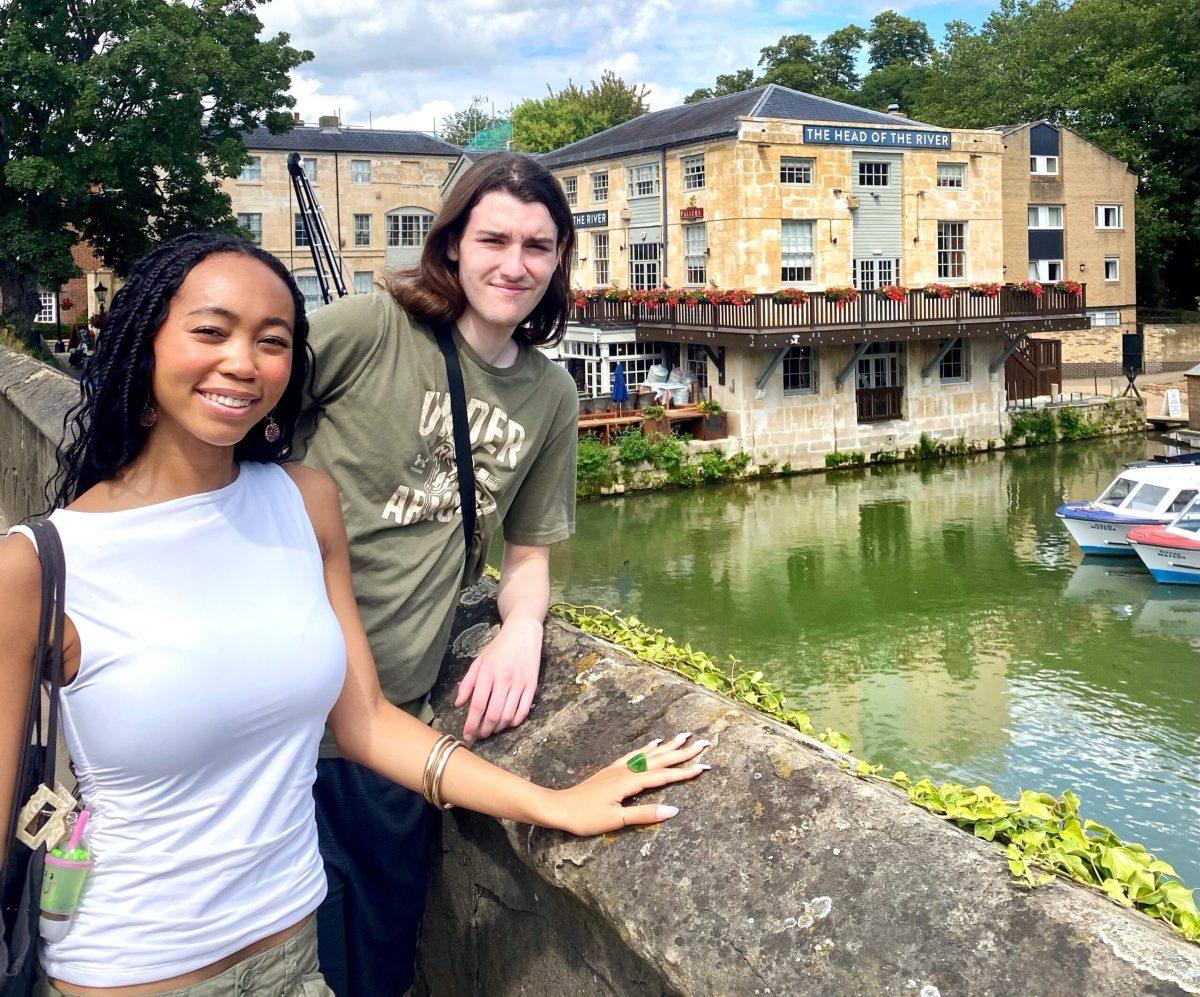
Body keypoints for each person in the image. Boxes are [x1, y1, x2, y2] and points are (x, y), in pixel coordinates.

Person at [0, 231, 710, 997]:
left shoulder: (304, 504)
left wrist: (553, 802)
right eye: (210, 331)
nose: (242, 362)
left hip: (296, 958)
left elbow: (367, 720)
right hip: (132, 973)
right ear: (146, 342)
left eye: (272, 341)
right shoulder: (39, 566)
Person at [293, 152, 584, 995]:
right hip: (279, 714)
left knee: (373, 971)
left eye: (538, 244)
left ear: (560, 257)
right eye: (493, 238)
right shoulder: (369, 327)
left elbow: (527, 552)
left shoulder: (550, 395)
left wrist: (521, 625)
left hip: (392, 728)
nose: (515, 263)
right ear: (452, 245)